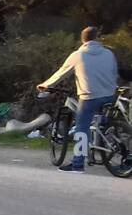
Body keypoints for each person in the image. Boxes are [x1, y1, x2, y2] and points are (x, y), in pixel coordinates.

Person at [38, 26, 121, 173]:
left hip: (89, 97)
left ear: (83, 40)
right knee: (103, 121)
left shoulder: (78, 55)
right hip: (110, 95)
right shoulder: (109, 53)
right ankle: (110, 141)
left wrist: (45, 85)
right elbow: (114, 73)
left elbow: (61, 73)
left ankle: (77, 165)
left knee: (82, 129)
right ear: (97, 38)